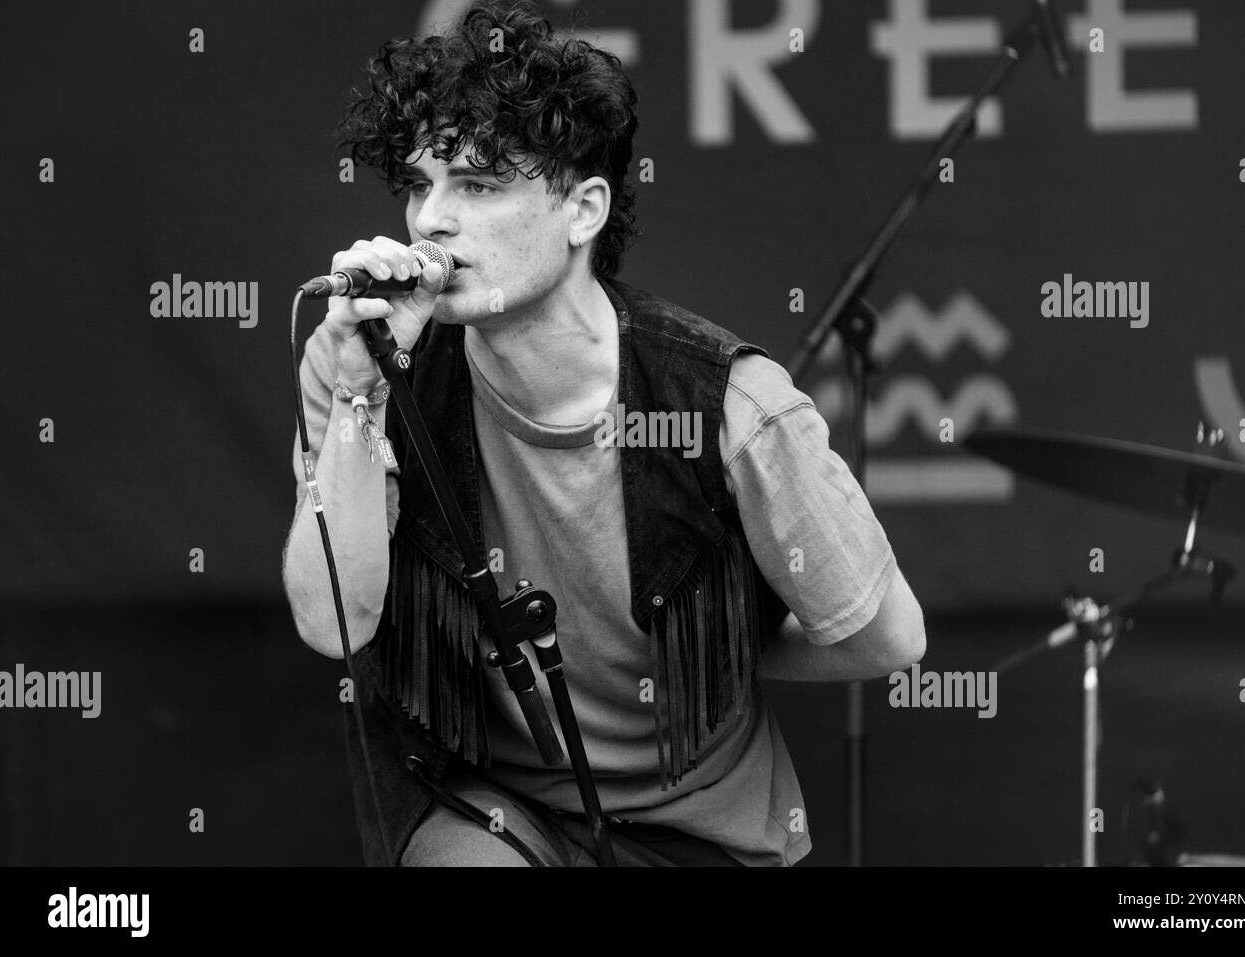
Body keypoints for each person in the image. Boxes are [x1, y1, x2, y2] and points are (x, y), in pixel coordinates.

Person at [282, 0, 925, 867]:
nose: (430, 218)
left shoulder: (732, 405)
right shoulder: (364, 364)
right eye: (419, 185)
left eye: (477, 184)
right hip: (492, 807)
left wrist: (717, 642)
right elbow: (334, 623)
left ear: (584, 209)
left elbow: (888, 638)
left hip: (702, 832)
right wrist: (361, 393)